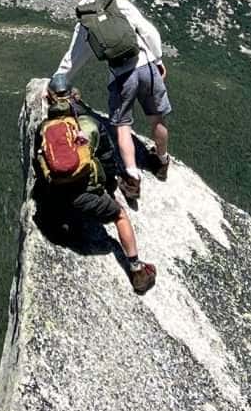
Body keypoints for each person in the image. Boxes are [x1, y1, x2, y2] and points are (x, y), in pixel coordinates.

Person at [50, 0, 171, 198]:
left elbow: (74, 57)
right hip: (145, 65)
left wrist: (58, 80)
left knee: (123, 126)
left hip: (121, 75)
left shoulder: (85, 19)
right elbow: (147, 30)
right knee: (157, 117)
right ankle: (162, 162)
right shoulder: (118, 3)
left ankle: (132, 180)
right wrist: (158, 59)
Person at [31, 87, 157, 295]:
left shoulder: (44, 129)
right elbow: (107, 160)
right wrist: (109, 187)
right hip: (84, 194)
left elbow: (39, 165)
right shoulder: (89, 126)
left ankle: (61, 224)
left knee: (60, 208)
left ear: (49, 100)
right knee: (120, 216)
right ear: (74, 101)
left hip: (54, 196)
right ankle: (137, 270)